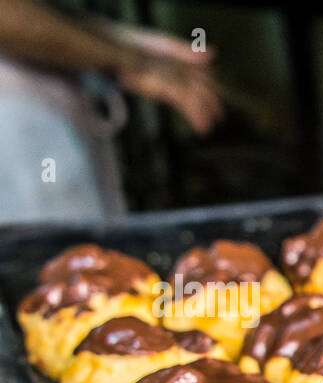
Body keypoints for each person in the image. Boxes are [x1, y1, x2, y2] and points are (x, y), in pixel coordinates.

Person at [0, 0, 222, 223]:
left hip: (42, 111)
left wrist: (112, 37)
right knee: (51, 249)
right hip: (19, 126)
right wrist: (135, 61)